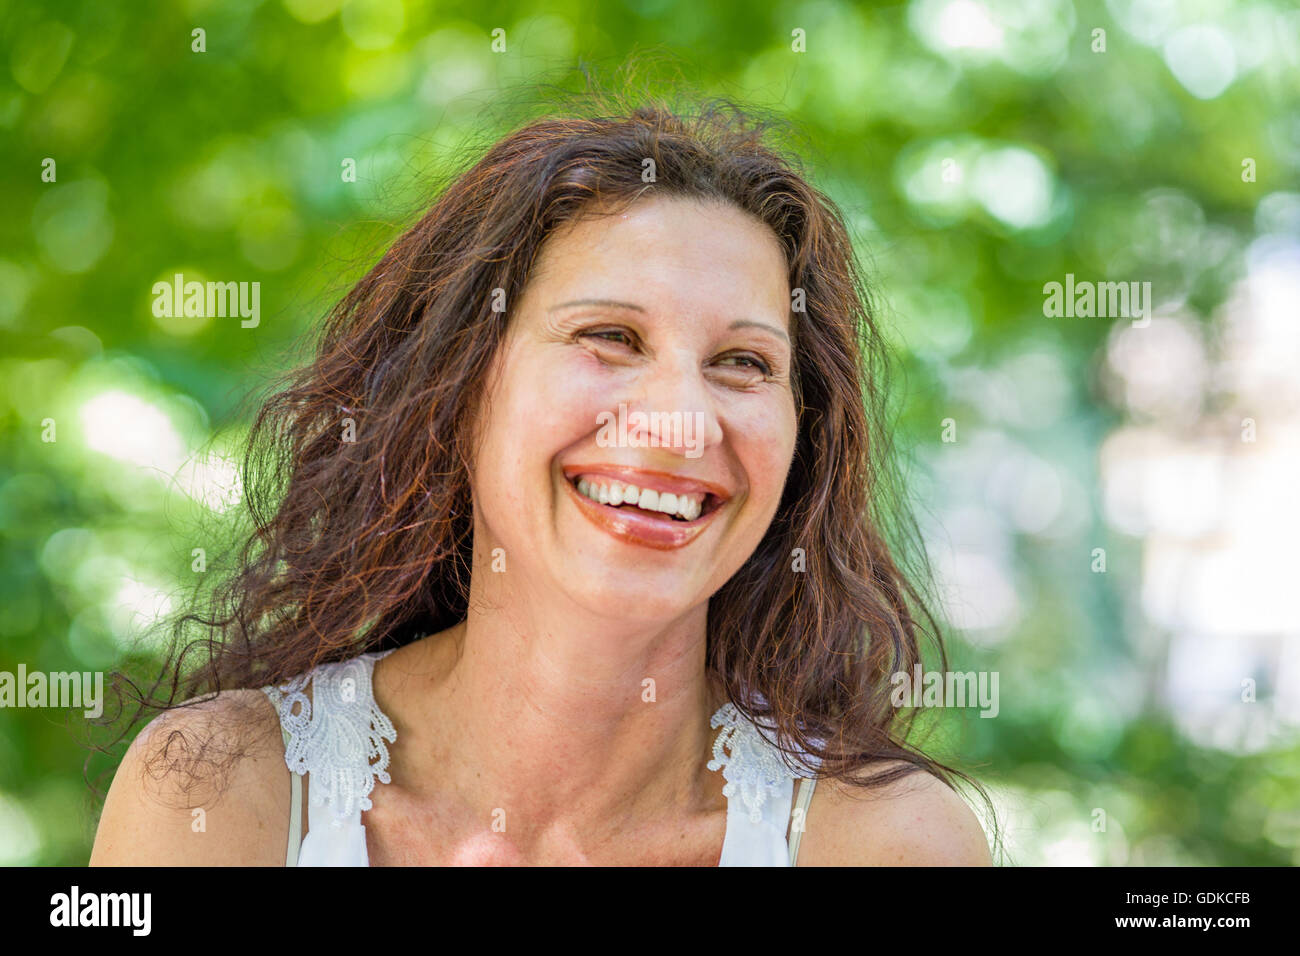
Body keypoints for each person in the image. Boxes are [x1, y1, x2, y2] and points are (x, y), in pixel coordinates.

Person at [90, 96, 994, 866]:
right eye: (610, 336)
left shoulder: (889, 846)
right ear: (459, 385)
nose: (679, 421)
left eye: (743, 362)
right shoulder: (217, 800)